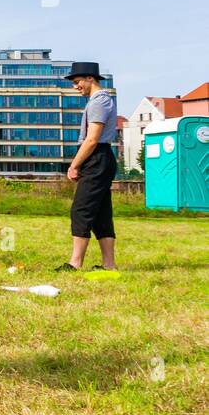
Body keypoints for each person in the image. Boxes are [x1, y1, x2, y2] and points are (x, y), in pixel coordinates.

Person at [57, 62, 118, 271]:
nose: (75, 87)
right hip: (100, 157)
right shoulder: (100, 100)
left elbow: (91, 140)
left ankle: (75, 263)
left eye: (77, 82)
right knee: (100, 213)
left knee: (80, 210)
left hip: (97, 157)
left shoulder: (99, 102)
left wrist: (74, 165)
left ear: (90, 78)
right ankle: (109, 265)